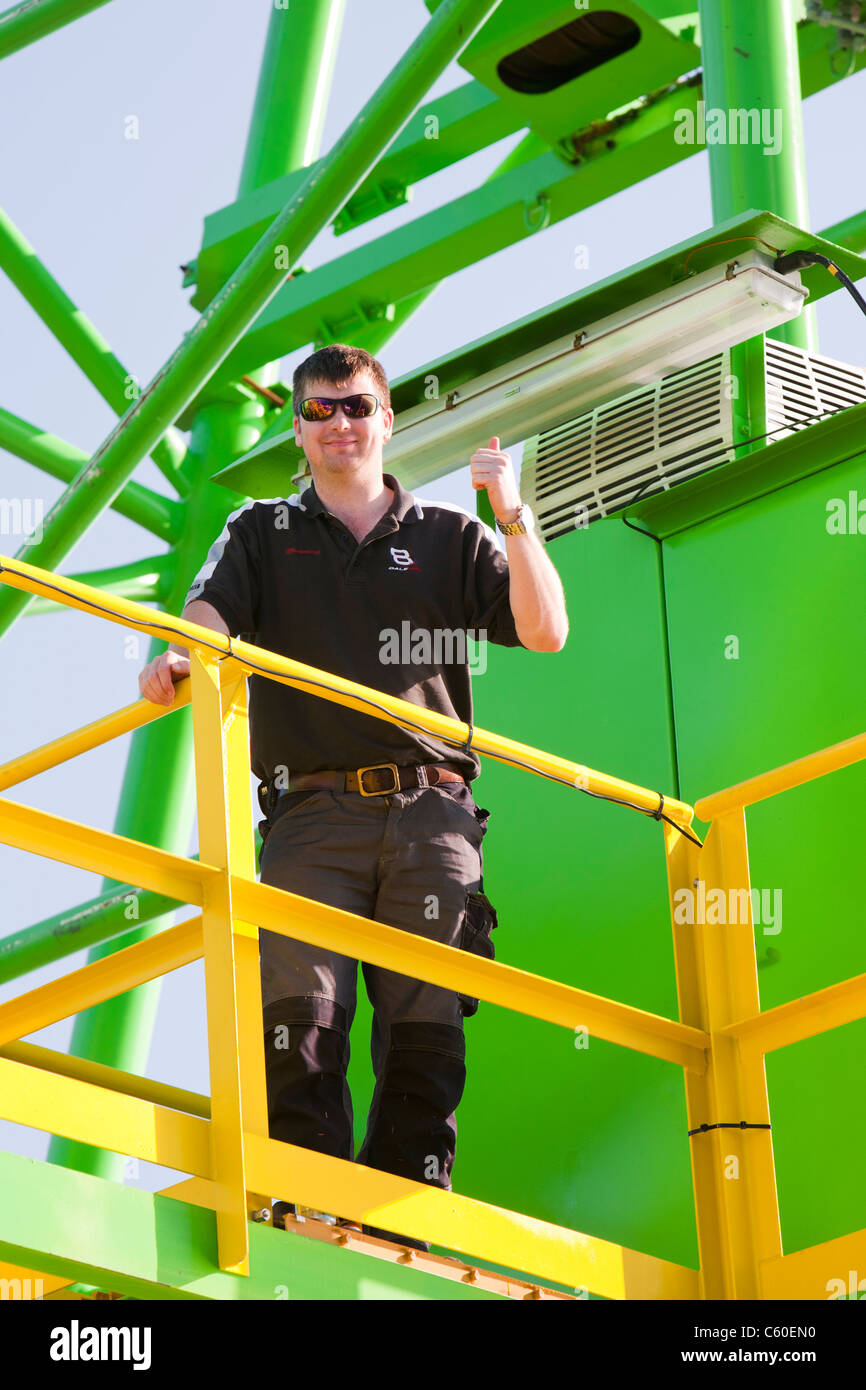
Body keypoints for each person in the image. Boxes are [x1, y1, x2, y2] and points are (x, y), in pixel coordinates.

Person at [139, 343, 568, 1251]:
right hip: (312, 816)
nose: (342, 425)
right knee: (304, 1020)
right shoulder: (261, 529)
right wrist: (181, 657)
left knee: (426, 1023)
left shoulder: (451, 531)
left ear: (387, 418)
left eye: (358, 408)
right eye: (322, 410)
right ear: (297, 426)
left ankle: (407, 1221)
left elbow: (545, 630)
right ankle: (306, 1213)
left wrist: (513, 509)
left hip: (431, 812)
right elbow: (206, 621)